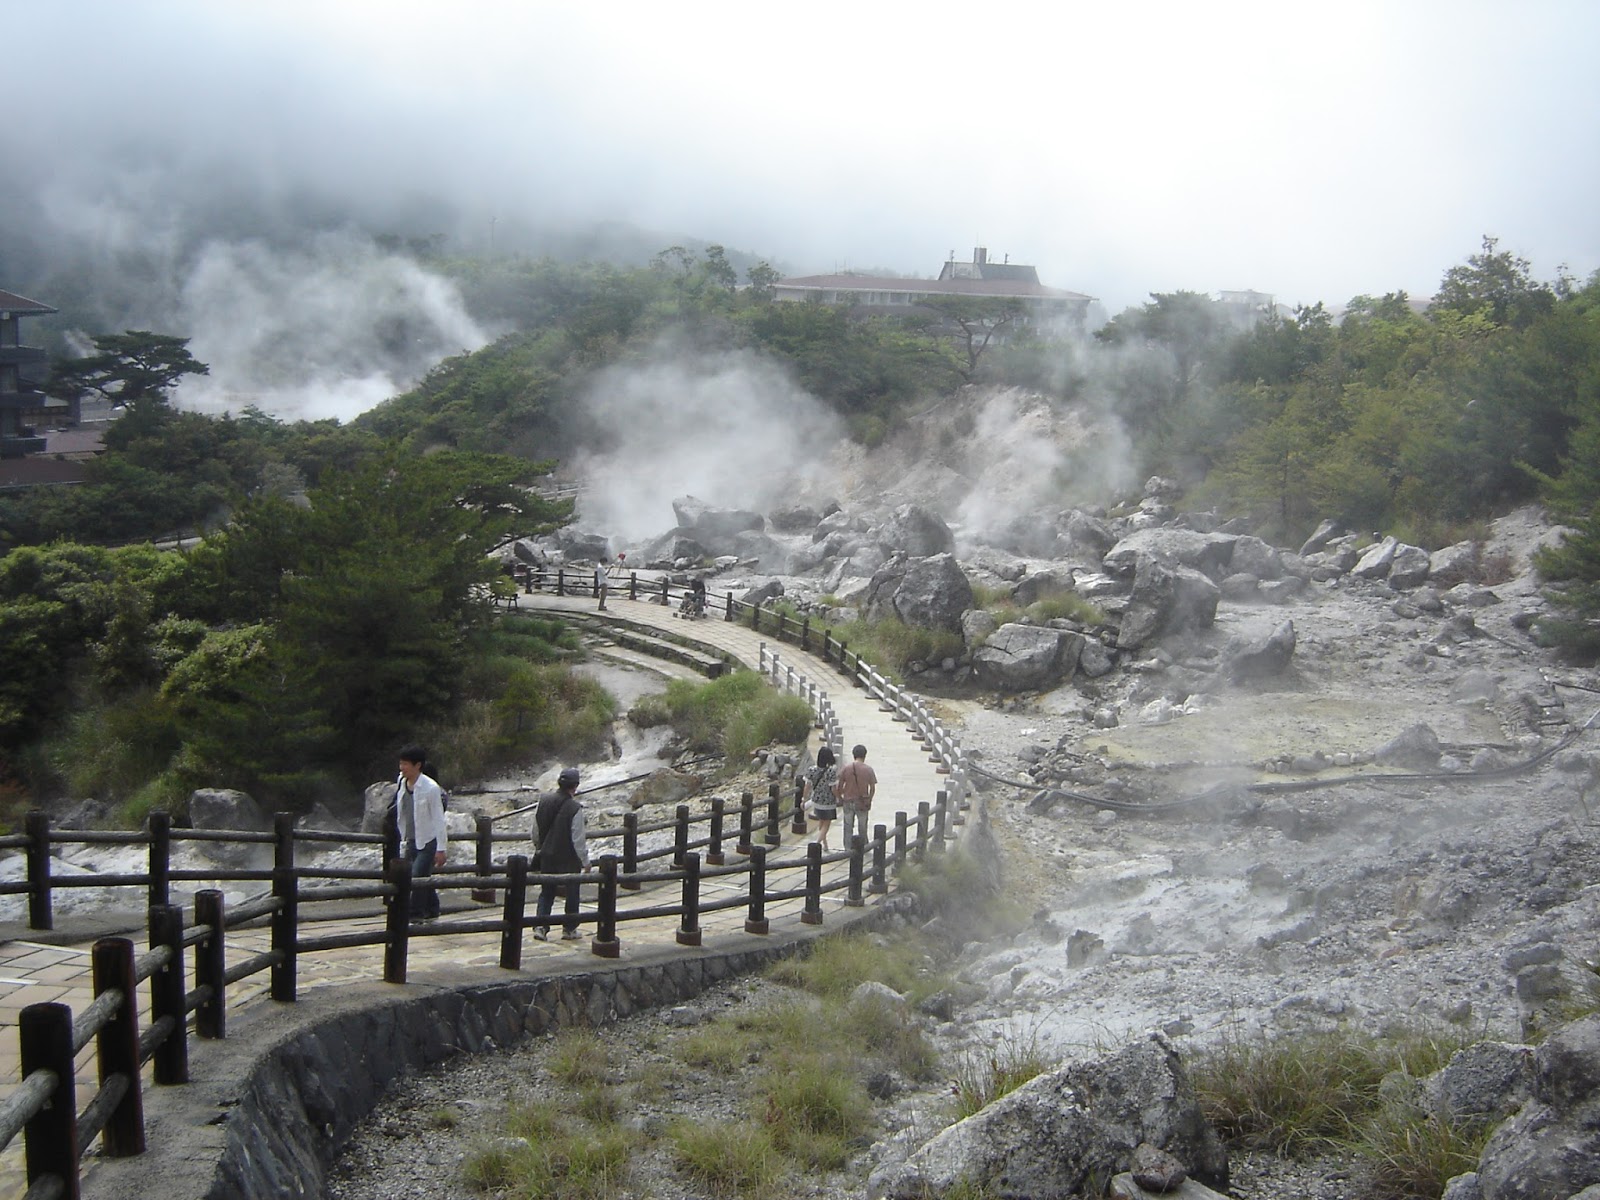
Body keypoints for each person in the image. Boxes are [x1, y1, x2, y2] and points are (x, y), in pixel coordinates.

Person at [533, 766, 590, 940]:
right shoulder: (575, 808)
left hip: (547, 855)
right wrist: (585, 861)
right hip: (568, 858)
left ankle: (541, 927)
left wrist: (539, 847)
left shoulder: (543, 800)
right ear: (575, 786)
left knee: (547, 891)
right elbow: (578, 838)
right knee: (572, 891)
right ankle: (569, 928)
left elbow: (535, 831)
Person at [395, 744, 448, 921]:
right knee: (423, 875)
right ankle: (433, 908)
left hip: (427, 839)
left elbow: (439, 819)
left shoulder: (431, 788)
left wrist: (441, 848)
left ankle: (414, 914)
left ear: (418, 766)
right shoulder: (401, 782)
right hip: (411, 838)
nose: (402, 768)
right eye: (401, 764)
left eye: (406, 764)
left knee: (416, 876)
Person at [837, 743, 879, 850]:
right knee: (862, 826)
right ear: (865, 755)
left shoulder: (846, 768)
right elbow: (872, 788)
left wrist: (840, 798)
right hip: (862, 801)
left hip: (848, 800)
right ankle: (863, 847)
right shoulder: (868, 769)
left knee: (848, 826)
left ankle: (847, 848)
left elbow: (840, 786)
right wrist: (869, 799)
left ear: (853, 755)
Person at [803, 745, 839, 851]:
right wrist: (839, 797)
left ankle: (825, 845)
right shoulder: (831, 771)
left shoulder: (812, 770)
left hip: (816, 800)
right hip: (828, 802)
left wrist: (803, 799)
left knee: (821, 822)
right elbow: (833, 789)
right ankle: (817, 843)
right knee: (826, 824)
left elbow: (807, 787)